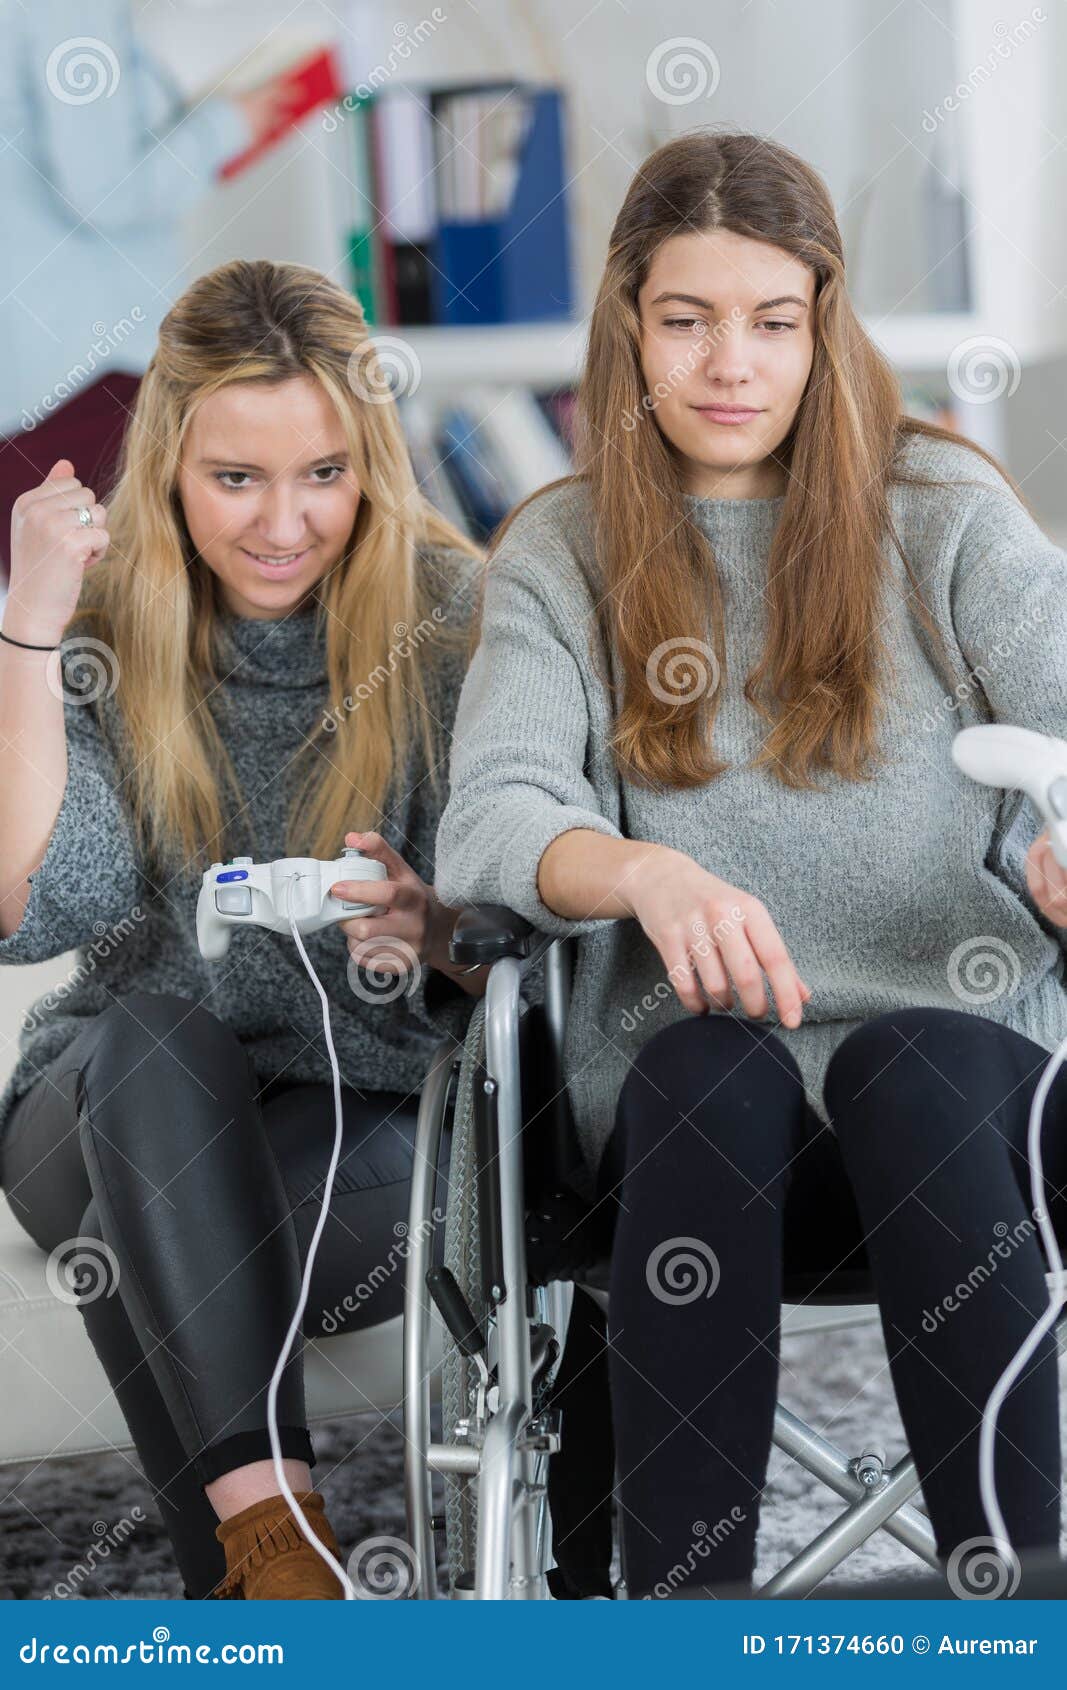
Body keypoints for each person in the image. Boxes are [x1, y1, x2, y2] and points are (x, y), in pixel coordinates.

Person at [434, 130, 1067, 1599]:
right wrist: (642, 877)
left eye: (772, 321)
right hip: (688, 1142)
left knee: (909, 1058)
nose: (731, 363)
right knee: (701, 1060)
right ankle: (683, 1622)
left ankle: (1017, 1599)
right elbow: (491, 814)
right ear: (627, 328)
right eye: (685, 319)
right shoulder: (559, 550)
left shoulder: (945, 514)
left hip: (957, 1120)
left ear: (819, 325)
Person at [0, 257, 487, 1598]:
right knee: (157, 1052)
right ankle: (276, 1541)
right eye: (236, 479)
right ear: (168, 466)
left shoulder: (452, 625)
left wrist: (434, 924)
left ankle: (264, 1565)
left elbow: (524, 937)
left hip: (356, 1124)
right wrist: (29, 627)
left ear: (371, 466)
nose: (284, 523)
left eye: (322, 473)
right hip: (106, 1098)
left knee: (164, 1228)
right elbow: (38, 902)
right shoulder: (104, 627)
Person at [0, 0, 291, 577]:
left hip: (33, 384)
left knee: (71, 635)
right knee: (140, 632)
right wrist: (230, 124)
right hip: (91, 372)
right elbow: (107, 192)